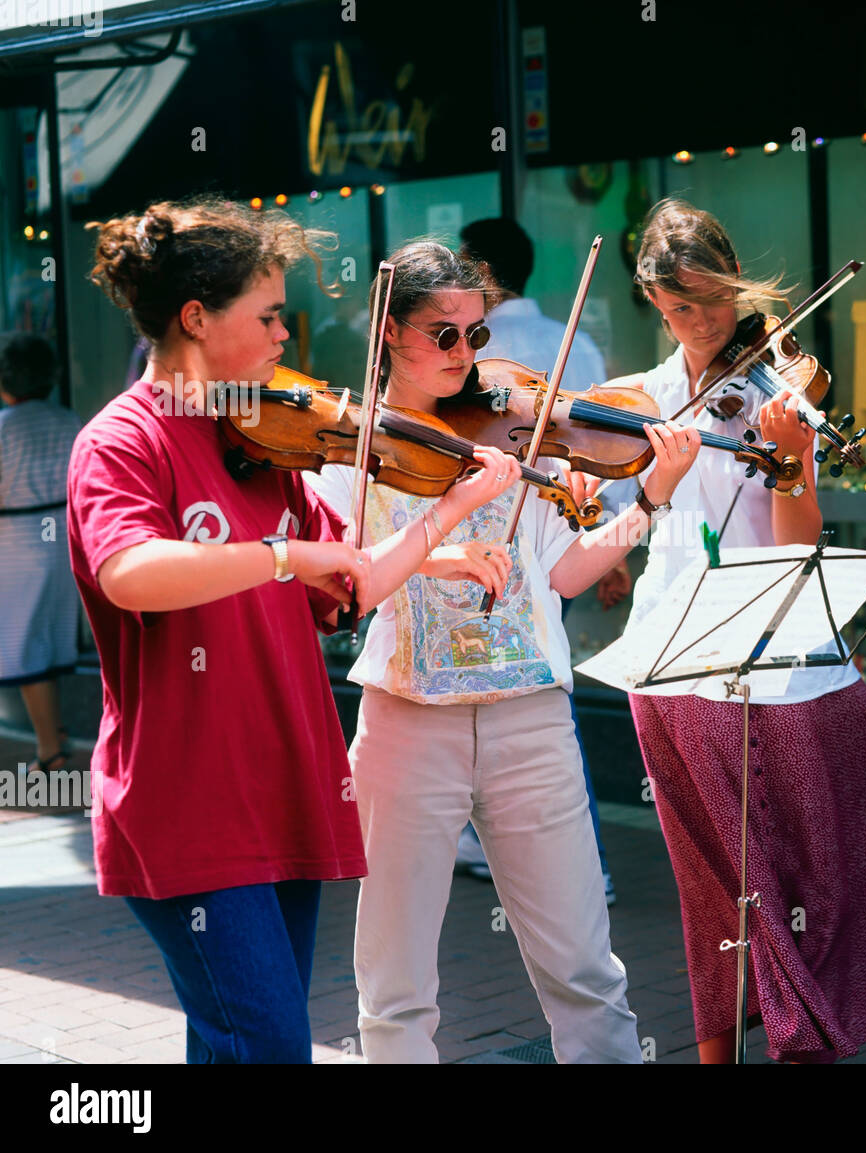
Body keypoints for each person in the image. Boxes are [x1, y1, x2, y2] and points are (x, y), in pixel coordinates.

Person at [68, 199, 517, 1063]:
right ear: (197, 317)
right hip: (188, 801)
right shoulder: (121, 440)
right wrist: (280, 553)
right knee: (269, 1046)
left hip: (280, 783)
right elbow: (132, 573)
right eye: (269, 315)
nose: (286, 335)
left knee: (238, 1046)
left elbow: (348, 573)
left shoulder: (263, 434)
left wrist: (444, 527)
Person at [591, 198, 866, 1065]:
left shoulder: (783, 386)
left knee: (817, 873)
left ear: (738, 286)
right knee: (711, 886)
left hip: (774, 661)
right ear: (652, 302)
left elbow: (798, 541)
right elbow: (616, 521)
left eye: (714, 302)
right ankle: (740, 1048)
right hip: (669, 663)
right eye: (680, 308)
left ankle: (807, 1038)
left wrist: (791, 456)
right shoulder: (640, 402)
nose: (703, 323)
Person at [306, 237, 702, 1063]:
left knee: (587, 972)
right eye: (442, 334)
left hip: (531, 722)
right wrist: (443, 530)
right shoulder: (350, 445)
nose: (466, 355)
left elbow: (563, 571)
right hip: (407, 722)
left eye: (475, 334)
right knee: (395, 988)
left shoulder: (512, 424)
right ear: (389, 332)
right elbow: (350, 591)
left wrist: (651, 503)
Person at [455, 217, 625, 901]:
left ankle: (585, 867)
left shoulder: (467, 346)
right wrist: (607, 543)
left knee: (523, 694)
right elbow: (607, 450)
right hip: (563, 529)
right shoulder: (574, 341)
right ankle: (488, 840)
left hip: (494, 541)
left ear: (482, 272)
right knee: (533, 686)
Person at [0, 333, 82, 772]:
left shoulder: (3, 427)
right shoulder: (67, 419)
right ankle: (58, 733)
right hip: (62, 537)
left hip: (15, 544)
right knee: (48, 640)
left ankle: (50, 749)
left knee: (23, 648)